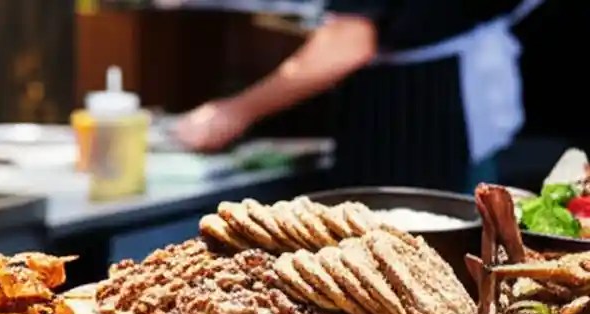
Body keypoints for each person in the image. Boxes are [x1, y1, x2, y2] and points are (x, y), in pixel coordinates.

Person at [172, 1, 546, 192]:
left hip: (421, 113)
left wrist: (234, 112)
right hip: (449, 91)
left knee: (415, 260)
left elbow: (349, 42)